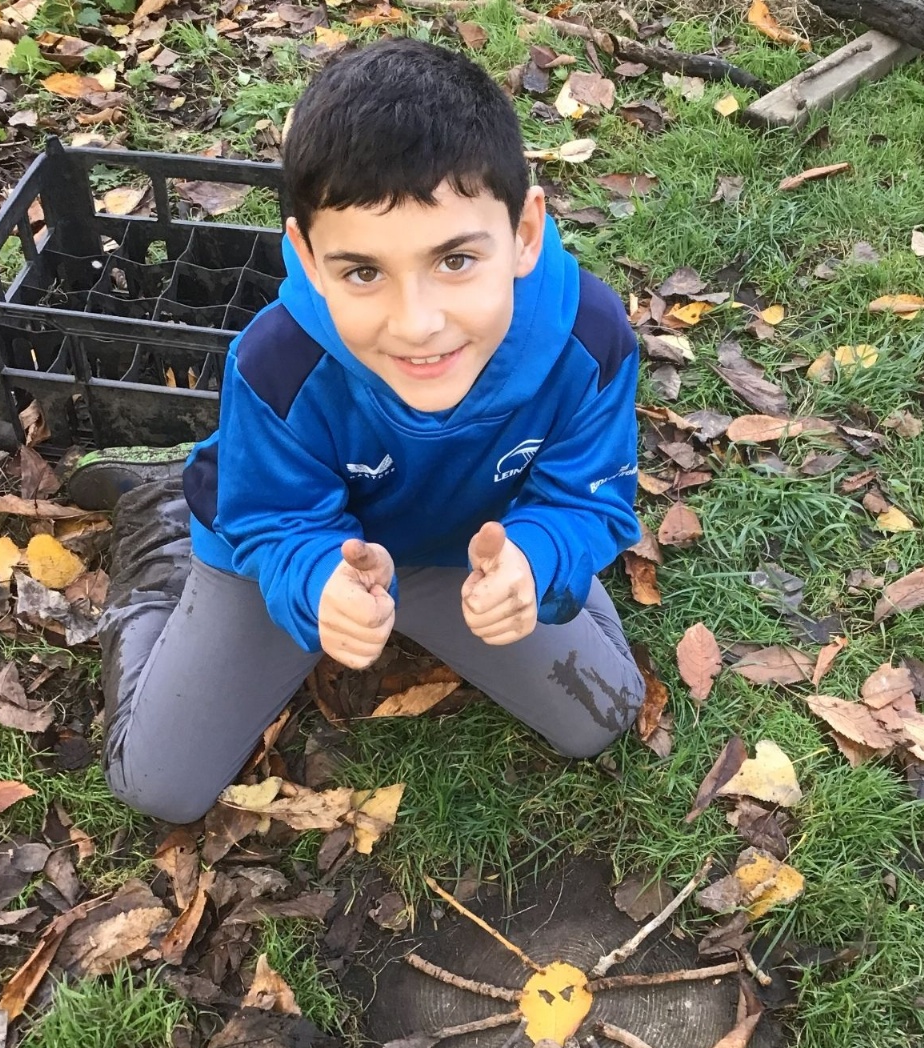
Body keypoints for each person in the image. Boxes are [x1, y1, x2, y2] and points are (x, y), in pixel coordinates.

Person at [67, 38, 645, 824]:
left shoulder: (593, 339)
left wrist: (534, 559)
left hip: (457, 550)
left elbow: (593, 500)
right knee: (159, 785)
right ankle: (162, 515)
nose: (418, 324)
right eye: (363, 272)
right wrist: (316, 582)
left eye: (455, 261)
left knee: (601, 715)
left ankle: (510, 589)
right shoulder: (277, 364)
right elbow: (274, 522)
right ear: (306, 258)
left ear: (526, 231)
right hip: (299, 540)